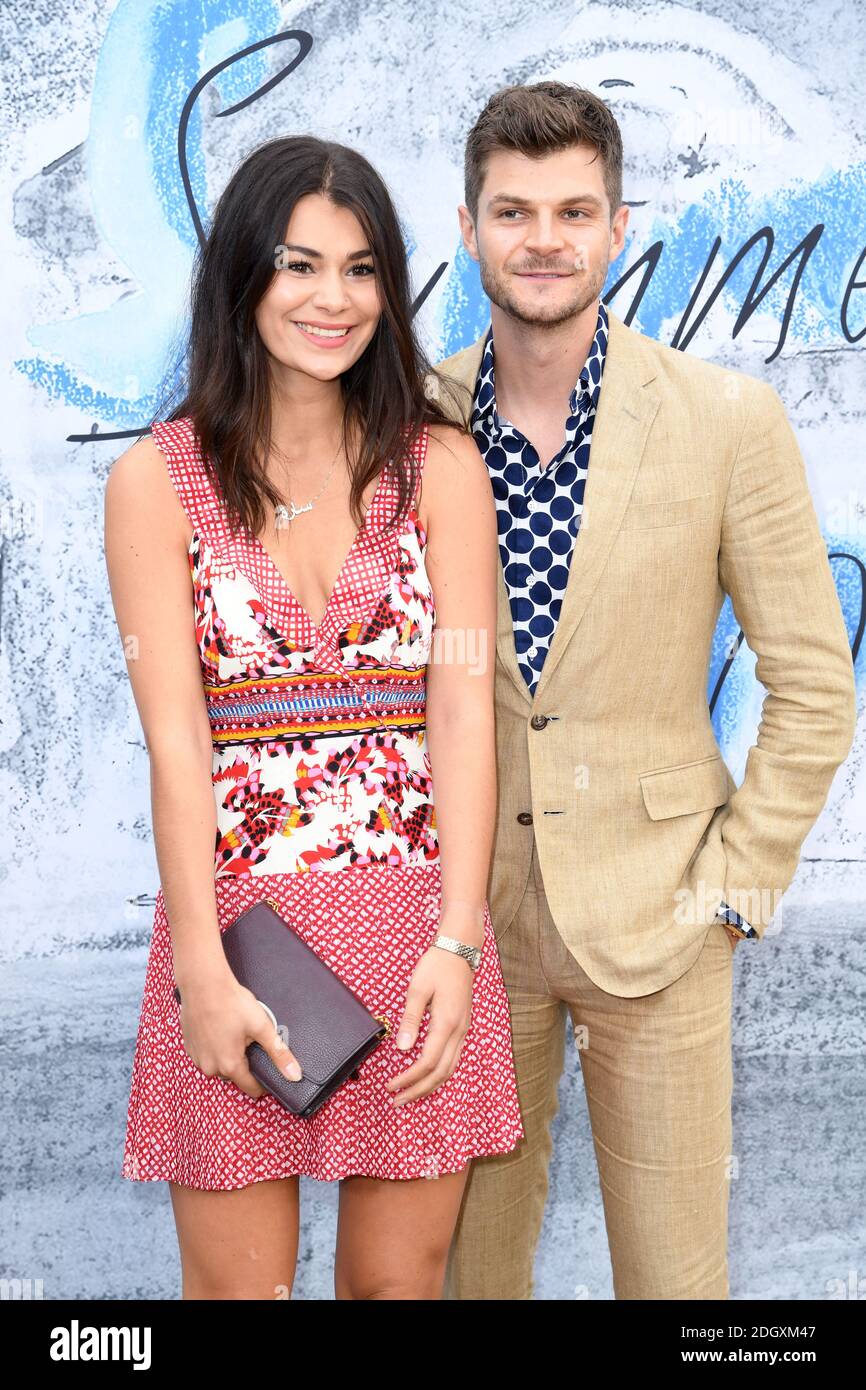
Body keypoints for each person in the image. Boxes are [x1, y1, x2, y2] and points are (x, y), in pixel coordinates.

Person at [429, 81, 858, 1299]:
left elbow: (813, 680)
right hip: (467, 932)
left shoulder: (726, 418)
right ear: (467, 228)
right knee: (471, 1277)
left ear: (619, 226)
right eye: (513, 211)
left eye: (574, 210)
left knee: (677, 1289)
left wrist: (738, 873)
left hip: (666, 923)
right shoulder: (411, 417)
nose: (544, 240)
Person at [103, 134, 524, 1301]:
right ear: (243, 277)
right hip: (239, 940)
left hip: (412, 936)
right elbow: (176, 745)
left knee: (394, 1291)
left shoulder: (437, 470)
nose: (331, 298)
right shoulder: (158, 480)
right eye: (298, 265)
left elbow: (462, 717)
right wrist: (199, 970)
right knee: (240, 1298)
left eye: (359, 267)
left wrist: (456, 938)